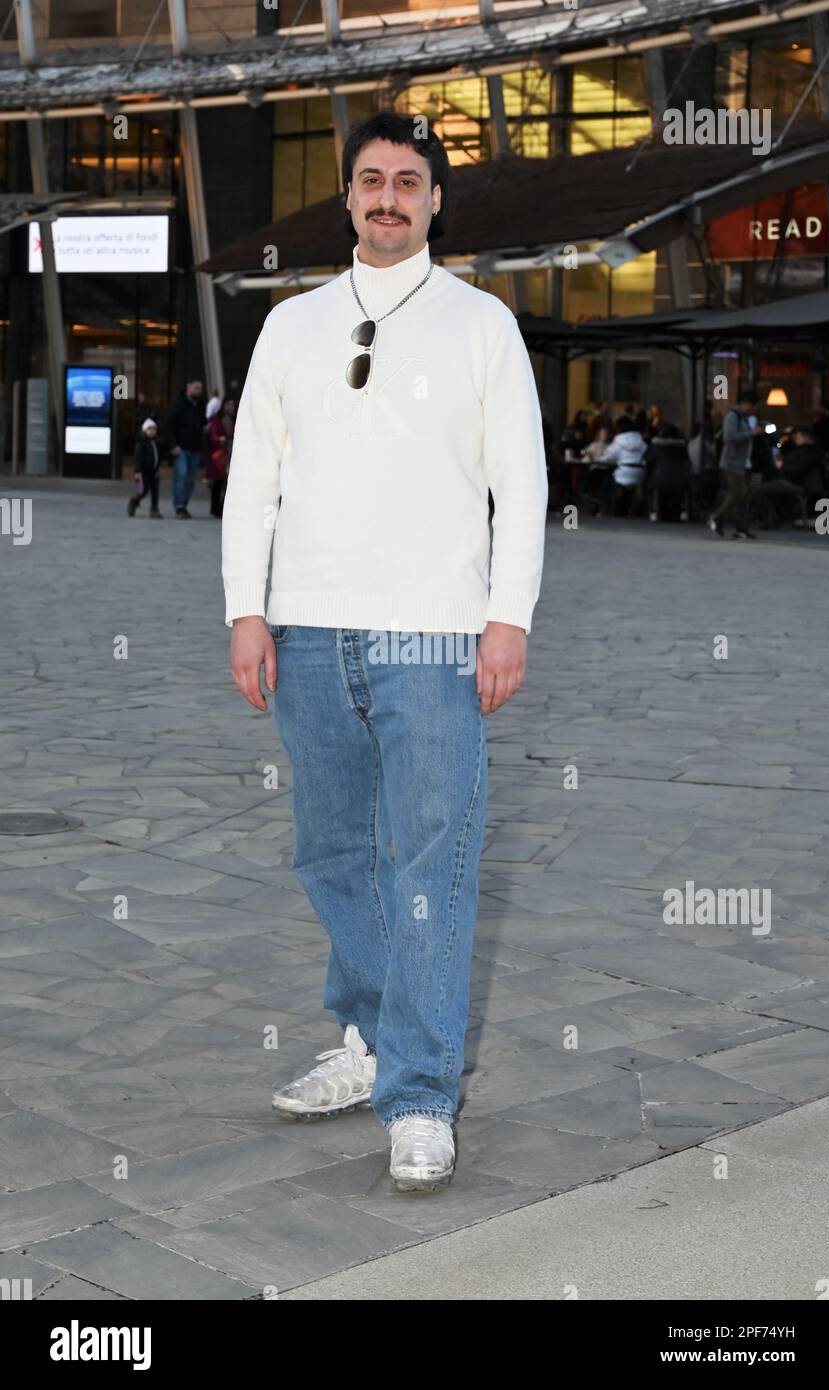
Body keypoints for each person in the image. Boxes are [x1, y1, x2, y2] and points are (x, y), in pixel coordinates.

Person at [221, 110, 547, 1194]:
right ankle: (366, 1042)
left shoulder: (480, 325)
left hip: (437, 635)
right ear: (347, 195)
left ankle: (417, 1094)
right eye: (371, 179)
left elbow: (521, 482)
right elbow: (252, 482)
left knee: (429, 863)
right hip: (306, 625)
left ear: (434, 200)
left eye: (409, 180)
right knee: (332, 856)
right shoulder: (292, 327)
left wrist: (508, 617)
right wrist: (246, 609)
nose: (389, 197)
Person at [707, 389, 762, 539]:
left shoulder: (744, 418)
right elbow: (729, 437)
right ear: (745, 404)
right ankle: (717, 517)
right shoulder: (732, 416)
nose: (754, 410)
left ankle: (741, 528)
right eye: (753, 406)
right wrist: (751, 433)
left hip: (742, 463)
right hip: (731, 462)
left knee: (745, 496)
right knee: (737, 493)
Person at [758, 425, 826, 528]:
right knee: (768, 489)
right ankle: (775, 517)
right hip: (795, 481)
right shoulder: (809, 451)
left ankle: (772, 519)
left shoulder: (809, 452)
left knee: (761, 490)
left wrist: (782, 467)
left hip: (797, 482)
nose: (795, 441)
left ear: (807, 437)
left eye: (798, 438)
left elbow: (801, 468)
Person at [163, 377, 205, 519]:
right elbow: (167, 423)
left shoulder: (200, 405)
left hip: (195, 448)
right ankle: (179, 506)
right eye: (196, 388)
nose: (199, 391)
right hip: (181, 448)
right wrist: (173, 445)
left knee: (190, 479)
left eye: (200, 389)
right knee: (181, 475)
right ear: (188, 386)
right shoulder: (178, 403)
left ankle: (183, 505)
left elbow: (201, 423)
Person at [598, 414, 646, 515]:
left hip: (622, 475)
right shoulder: (641, 441)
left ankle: (607, 510)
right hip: (640, 474)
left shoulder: (619, 441)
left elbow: (606, 458)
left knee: (605, 483)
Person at [644, 423, 690, 523]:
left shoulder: (655, 445)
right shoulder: (682, 447)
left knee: (648, 481)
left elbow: (647, 462)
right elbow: (687, 463)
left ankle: (653, 510)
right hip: (679, 481)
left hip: (658, 480)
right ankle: (678, 512)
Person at [127, 418, 162, 519]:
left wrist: (157, 469)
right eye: (149, 429)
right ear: (144, 430)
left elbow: (157, 458)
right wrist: (137, 471)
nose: (152, 432)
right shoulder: (141, 444)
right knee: (144, 491)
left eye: (154, 429)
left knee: (155, 491)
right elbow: (138, 459)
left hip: (153, 471)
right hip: (144, 472)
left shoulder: (155, 443)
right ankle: (134, 501)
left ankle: (154, 509)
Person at [207, 396, 235, 518]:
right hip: (219, 455)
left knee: (228, 482)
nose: (230, 408)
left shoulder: (236, 419)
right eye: (228, 405)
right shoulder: (217, 419)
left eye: (232, 405)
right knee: (218, 482)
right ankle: (215, 508)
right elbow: (213, 435)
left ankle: (223, 507)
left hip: (230, 453)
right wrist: (220, 439)